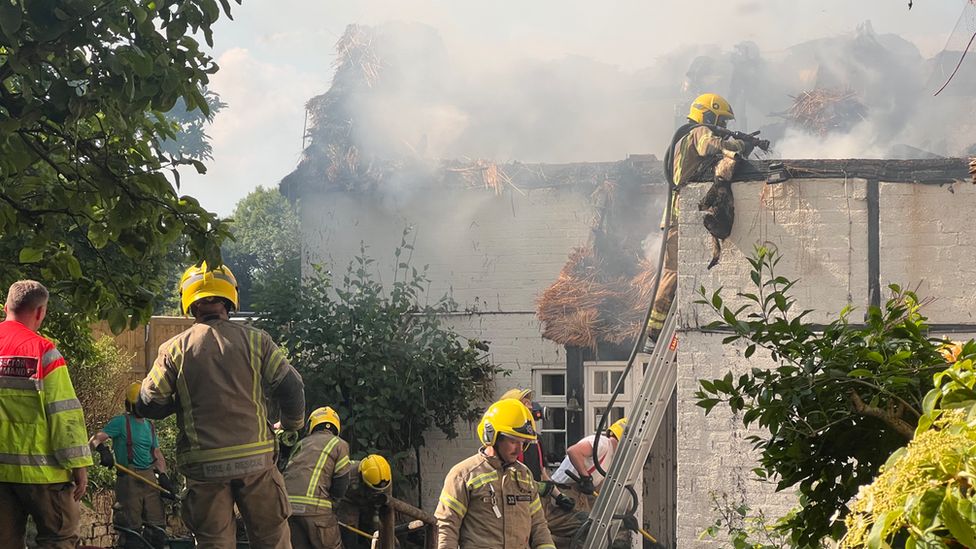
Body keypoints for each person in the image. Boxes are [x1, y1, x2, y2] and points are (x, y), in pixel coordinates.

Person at [135, 262, 306, 548]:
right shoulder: (256, 341)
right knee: (272, 539)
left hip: (205, 467)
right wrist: (291, 427)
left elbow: (150, 402)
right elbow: (292, 388)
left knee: (214, 543)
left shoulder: (174, 349)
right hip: (257, 464)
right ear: (231, 297)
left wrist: (174, 402)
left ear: (188, 302)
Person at [645, 92, 749, 352]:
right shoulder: (698, 132)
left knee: (684, 271)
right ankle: (654, 334)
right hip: (678, 217)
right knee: (673, 273)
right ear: (708, 114)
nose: (722, 128)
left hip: (679, 216)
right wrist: (736, 145)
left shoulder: (683, 138)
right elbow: (710, 145)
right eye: (721, 122)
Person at [0, 280, 93, 548]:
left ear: (6, 307)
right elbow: (64, 415)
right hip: (45, 475)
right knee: (58, 538)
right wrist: (78, 465)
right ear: (40, 312)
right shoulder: (44, 352)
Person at [435, 398, 555, 549]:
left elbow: (538, 525)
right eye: (513, 441)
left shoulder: (524, 475)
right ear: (492, 436)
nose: (519, 450)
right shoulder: (463, 475)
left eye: (523, 443)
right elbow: (447, 526)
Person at [90, 382, 172, 549]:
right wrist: (103, 450)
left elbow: (156, 453)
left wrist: (163, 475)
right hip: (129, 479)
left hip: (150, 479)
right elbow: (94, 439)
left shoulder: (150, 426)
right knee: (131, 534)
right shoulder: (120, 422)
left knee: (157, 532)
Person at [546, 418, 628, 548]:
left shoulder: (612, 458)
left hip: (578, 495)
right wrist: (585, 477)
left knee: (588, 531)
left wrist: (623, 517)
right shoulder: (602, 443)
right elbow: (573, 451)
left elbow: (598, 492)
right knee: (585, 530)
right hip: (562, 493)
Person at [284, 406, 352, 549]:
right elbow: (342, 481)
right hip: (317, 512)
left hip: (288, 510)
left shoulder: (300, 444)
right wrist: (334, 502)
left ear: (312, 424)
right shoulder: (339, 444)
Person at [499, 388, 575, 514]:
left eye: (530, 402)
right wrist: (537, 487)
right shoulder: (503, 443)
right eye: (525, 403)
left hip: (538, 505)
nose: (531, 407)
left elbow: (542, 473)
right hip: (515, 509)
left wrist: (560, 497)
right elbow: (506, 480)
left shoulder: (536, 440)